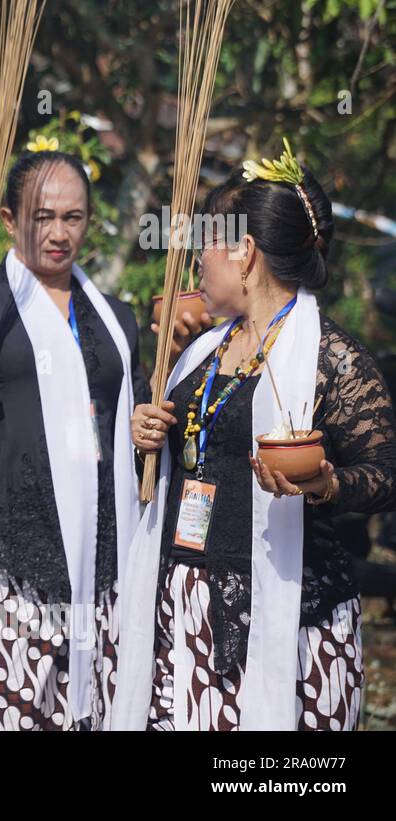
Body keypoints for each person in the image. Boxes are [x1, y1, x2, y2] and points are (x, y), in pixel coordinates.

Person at [114, 141, 396, 731]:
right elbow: (185, 447)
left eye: (205, 247)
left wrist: (325, 484)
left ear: (243, 252)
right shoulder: (202, 352)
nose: (195, 262)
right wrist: (146, 432)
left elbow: (385, 474)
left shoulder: (330, 356)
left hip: (289, 615)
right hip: (184, 605)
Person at [0, 150, 149, 730]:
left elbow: (130, 424)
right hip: (2, 540)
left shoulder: (117, 320)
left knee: (93, 708)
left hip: (102, 545)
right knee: (8, 710)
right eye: (43, 217)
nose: (59, 233)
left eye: (73, 217)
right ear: (10, 220)